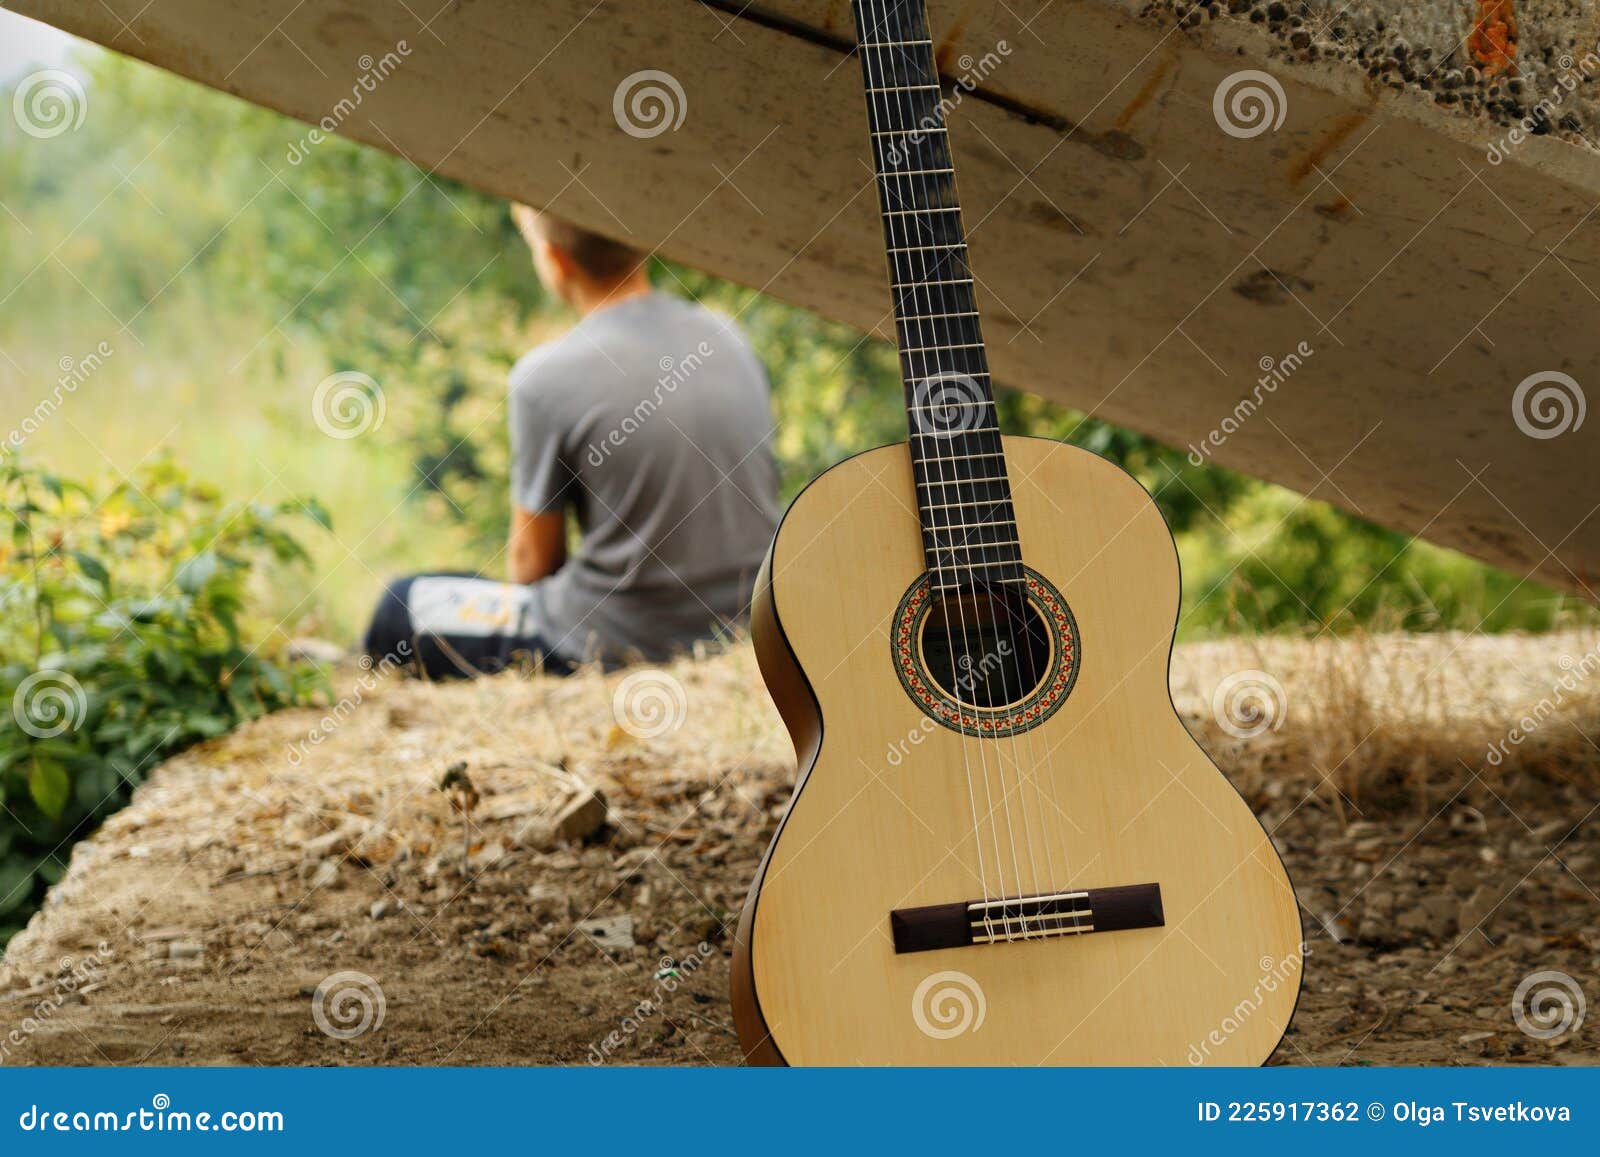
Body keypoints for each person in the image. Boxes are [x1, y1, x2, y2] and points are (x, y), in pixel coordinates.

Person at [363, 207, 779, 677]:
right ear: (641, 246)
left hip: (618, 638)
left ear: (556, 261)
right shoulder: (726, 333)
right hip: (754, 614)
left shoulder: (544, 377)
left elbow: (532, 565)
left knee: (399, 606)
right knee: (454, 585)